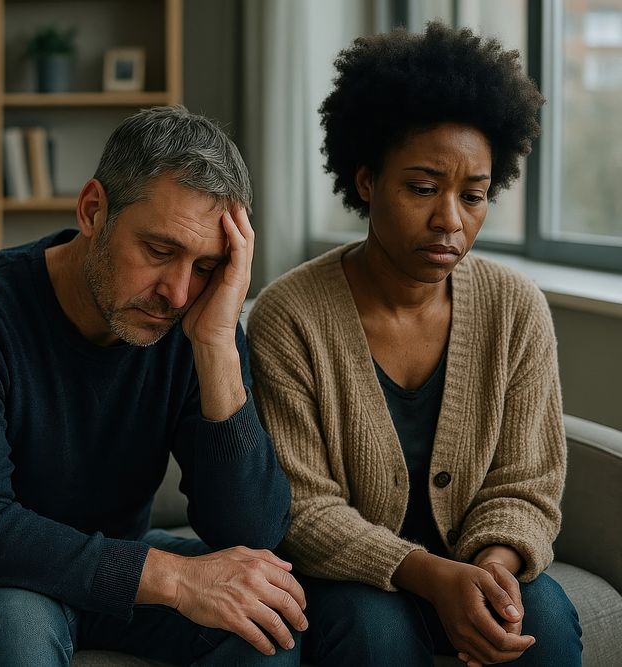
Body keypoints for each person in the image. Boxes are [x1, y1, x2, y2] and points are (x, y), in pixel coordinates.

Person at [248, 22, 582, 667]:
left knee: (545, 624)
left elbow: (528, 483)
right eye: (423, 189)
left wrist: (492, 567)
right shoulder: (291, 315)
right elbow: (300, 507)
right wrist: (430, 576)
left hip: (475, 560)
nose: (450, 220)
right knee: (375, 636)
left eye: (474, 195)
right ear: (367, 181)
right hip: (352, 580)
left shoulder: (516, 310)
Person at [0, 105, 306, 666]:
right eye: (160, 251)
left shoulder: (198, 323)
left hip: (123, 562)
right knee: (20, 630)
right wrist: (174, 579)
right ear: (93, 210)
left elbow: (250, 533)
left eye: (204, 266)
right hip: (1, 577)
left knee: (265, 624)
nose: (176, 293)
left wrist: (218, 347)